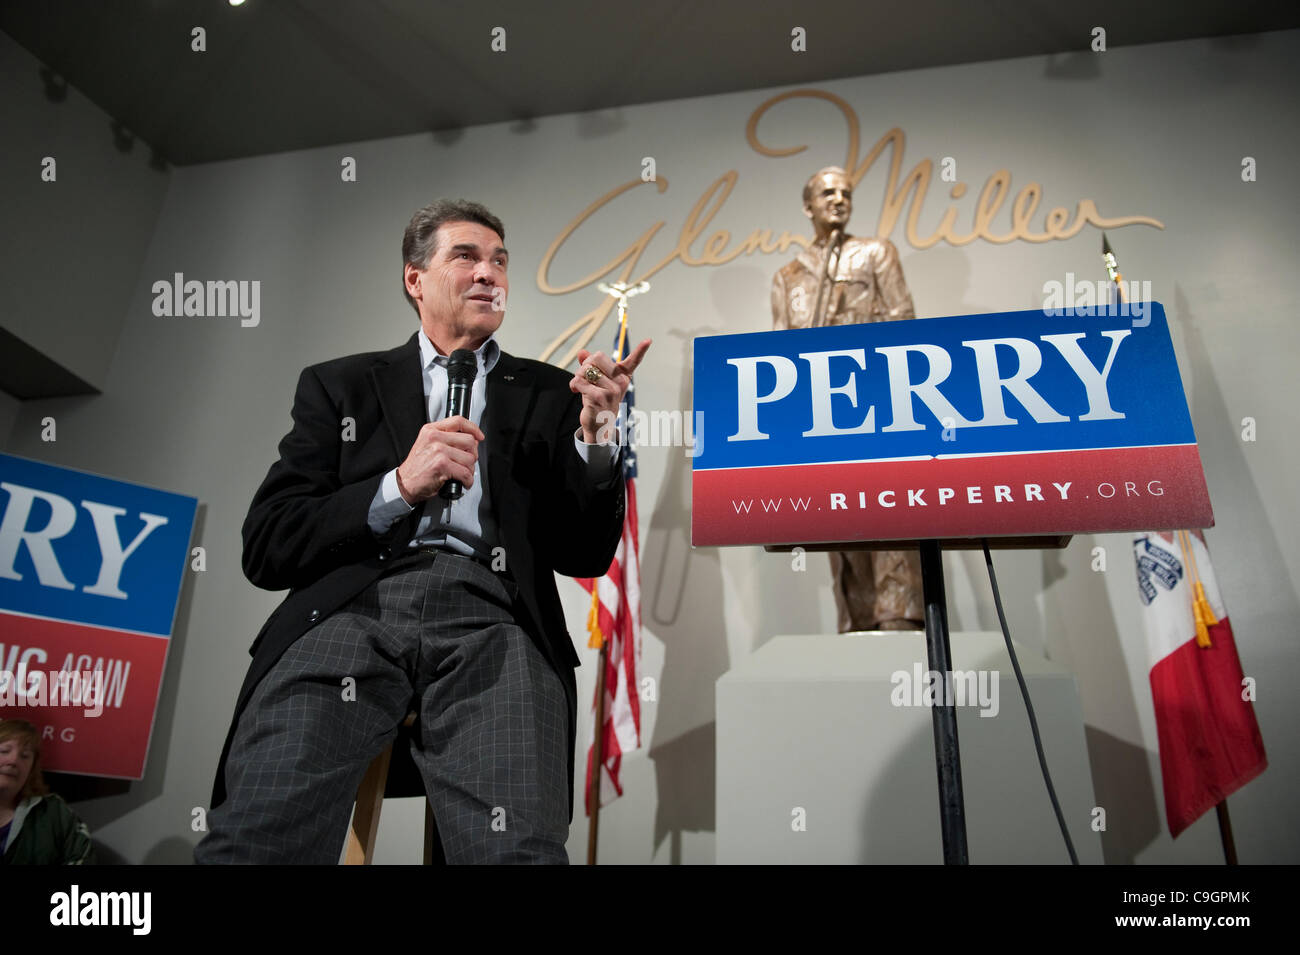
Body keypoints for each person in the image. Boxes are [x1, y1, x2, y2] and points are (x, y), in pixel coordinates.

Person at [196, 199, 650, 864]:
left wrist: (598, 437)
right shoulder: (340, 386)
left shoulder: (555, 394)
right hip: (352, 608)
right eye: (466, 256)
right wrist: (398, 485)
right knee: (259, 831)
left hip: (497, 622)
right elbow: (268, 542)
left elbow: (581, 549)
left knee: (515, 848)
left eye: (500, 260)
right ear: (415, 277)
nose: (489, 272)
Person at [770, 166, 924, 632]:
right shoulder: (788, 275)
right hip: (822, 418)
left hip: (879, 405)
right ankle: (857, 626)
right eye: (827, 193)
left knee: (892, 513)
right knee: (841, 526)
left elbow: (904, 323)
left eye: (846, 192)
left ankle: (901, 620)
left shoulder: (876, 253)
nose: (838, 200)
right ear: (808, 205)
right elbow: (777, 355)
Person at [0, 718, 95, 864]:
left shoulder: (54, 813)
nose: (13, 761)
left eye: (25, 756)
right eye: (4, 751)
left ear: (32, 769)